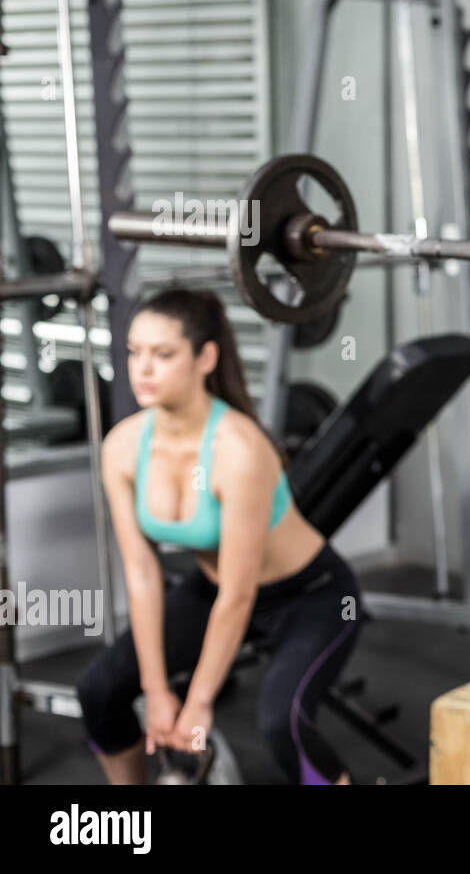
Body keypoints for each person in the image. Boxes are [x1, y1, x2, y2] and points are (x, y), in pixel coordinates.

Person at [76, 288, 360, 784]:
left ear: (206, 357)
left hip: (310, 595)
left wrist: (199, 703)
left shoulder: (239, 450)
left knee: (282, 722)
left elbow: (240, 592)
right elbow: (143, 575)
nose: (142, 369)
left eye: (163, 355)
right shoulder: (123, 447)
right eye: (134, 352)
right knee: (100, 688)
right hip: (211, 589)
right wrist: (158, 690)